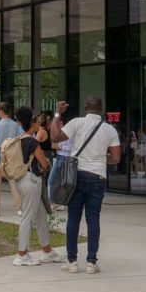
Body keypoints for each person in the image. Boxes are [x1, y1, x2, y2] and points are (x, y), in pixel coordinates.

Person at [60, 96, 121, 274]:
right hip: (98, 176)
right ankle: (91, 262)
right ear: (101, 109)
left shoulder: (76, 123)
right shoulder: (110, 130)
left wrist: (57, 114)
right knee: (93, 219)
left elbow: (55, 136)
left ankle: (72, 261)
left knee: (73, 218)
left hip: (77, 175)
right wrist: (100, 159)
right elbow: (116, 158)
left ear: (85, 108)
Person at [13, 108, 63, 266]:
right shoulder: (32, 142)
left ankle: (47, 251)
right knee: (28, 217)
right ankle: (21, 254)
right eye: (36, 121)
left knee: (41, 216)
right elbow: (44, 163)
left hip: (22, 179)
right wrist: (45, 164)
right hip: (32, 181)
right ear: (32, 123)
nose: (38, 123)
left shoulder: (19, 139)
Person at [0, 101, 24, 214]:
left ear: (1, 111)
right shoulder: (16, 125)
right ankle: (19, 208)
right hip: (10, 157)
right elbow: (21, 137)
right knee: (13, 182)